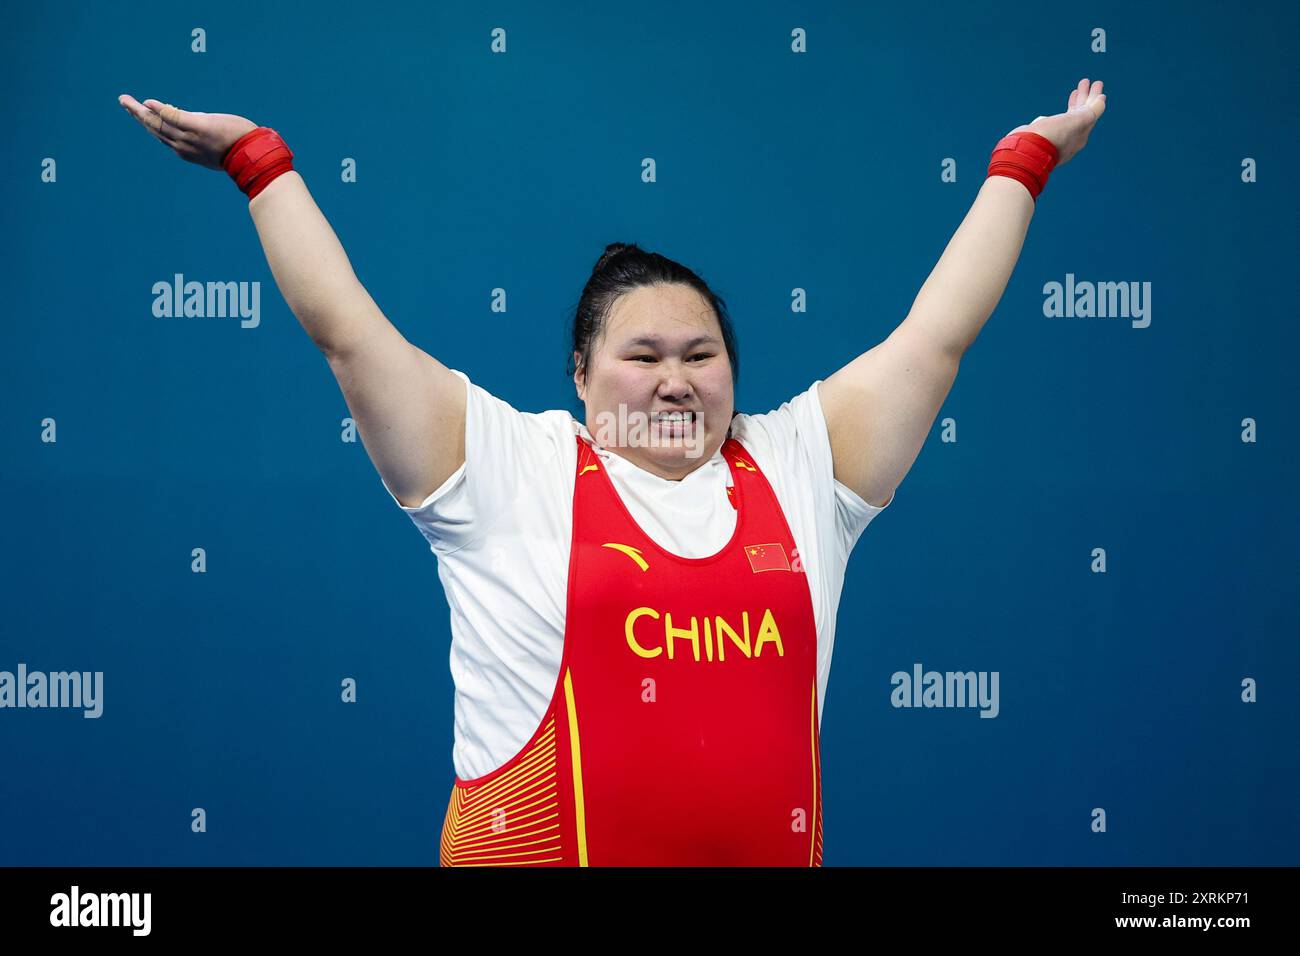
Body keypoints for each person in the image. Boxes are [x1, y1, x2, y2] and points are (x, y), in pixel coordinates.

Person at [118, 78, 1107, 866]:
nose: (676, 380)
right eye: (642, 355)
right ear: (579, 375)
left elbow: (937, 335)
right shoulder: (509, 467)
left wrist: (1021, 161)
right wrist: (261, 162)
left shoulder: (799, 466)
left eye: (701, 353)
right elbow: (349, 330)